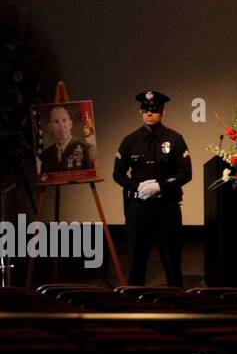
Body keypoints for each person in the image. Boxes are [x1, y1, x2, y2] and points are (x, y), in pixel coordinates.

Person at [111, 91, 191, 286]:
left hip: (167, 206)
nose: (149, 114)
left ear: (162, 111)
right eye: (146, 110)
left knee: (172, 259)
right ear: (140, 112)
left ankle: (176, 303)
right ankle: (135, 303)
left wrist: (160, 186)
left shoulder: (174, 139)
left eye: (154, 110)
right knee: (137, 258)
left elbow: (186, 174)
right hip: (138, 207)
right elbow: (118, 174)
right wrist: (137, 187)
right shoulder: (130, 140)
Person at [38, 104, 96, 174]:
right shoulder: (46, 155)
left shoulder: (87, 150)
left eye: (64, 120)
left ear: (70, 124)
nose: (61, 126)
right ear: (50, 127)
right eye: (56, 122)